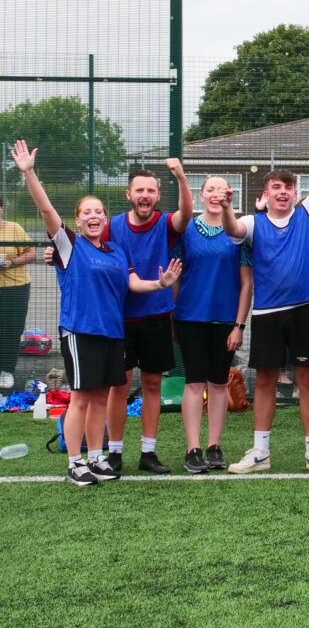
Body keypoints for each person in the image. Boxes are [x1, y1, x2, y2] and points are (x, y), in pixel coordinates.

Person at [12, 140, 181, 486]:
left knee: (102, 397)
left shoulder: (116, 250)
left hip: (111, 333)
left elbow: (134, 285)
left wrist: (161, 284)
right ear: (77, 219)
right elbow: (46, 211)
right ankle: (75, 463)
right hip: (80, 331)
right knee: (81, 397)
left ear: (105, 219)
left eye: (98, 212)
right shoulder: (68, 245)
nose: (93, 216)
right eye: (86, 212)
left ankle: (95, 456)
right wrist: (29, 173)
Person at [222, 116, 309, 475]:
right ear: (265, 194)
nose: (282, 192)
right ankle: (260, 452)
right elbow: (231, 228)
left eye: (288, 188)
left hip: (305, 310)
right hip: (265, 314)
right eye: (275, 187)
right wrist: (229, 205)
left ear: (295, 193)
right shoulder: (251, 222)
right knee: (264, 380)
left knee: (308, 379)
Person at [103, 157, 192, 474]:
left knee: (153, 384)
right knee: (120, 387)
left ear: (157, 196)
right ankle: (113, 453)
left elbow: (186, 215)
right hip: (121, 319)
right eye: (139, 189)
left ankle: (148, 453)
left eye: (151, 190)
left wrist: (181, 177)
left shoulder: (166, 224)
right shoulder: (112, 226)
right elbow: (83, 248)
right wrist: (54, 255)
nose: (145, 195)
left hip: (156, 317)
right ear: (128, 194)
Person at [174, 176, 252, 474]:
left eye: (222, 189)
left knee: (219, 383)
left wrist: (239, 325)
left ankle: (214, 445)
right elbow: (176, 278)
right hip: (190, 318)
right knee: (194, 382)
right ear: (201, 195)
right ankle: (193, 449)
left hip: (225, 320)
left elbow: (247, 285)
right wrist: (173, 316)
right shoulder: (186, 231)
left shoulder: (238, 234)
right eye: (210, 190)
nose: (216, 194)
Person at [0, 196, 35, 389]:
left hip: (16, 287)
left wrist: (11, 262)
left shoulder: (14, 228)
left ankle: (7, 370)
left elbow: (31, 252)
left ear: (2, 208)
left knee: (12, 330)